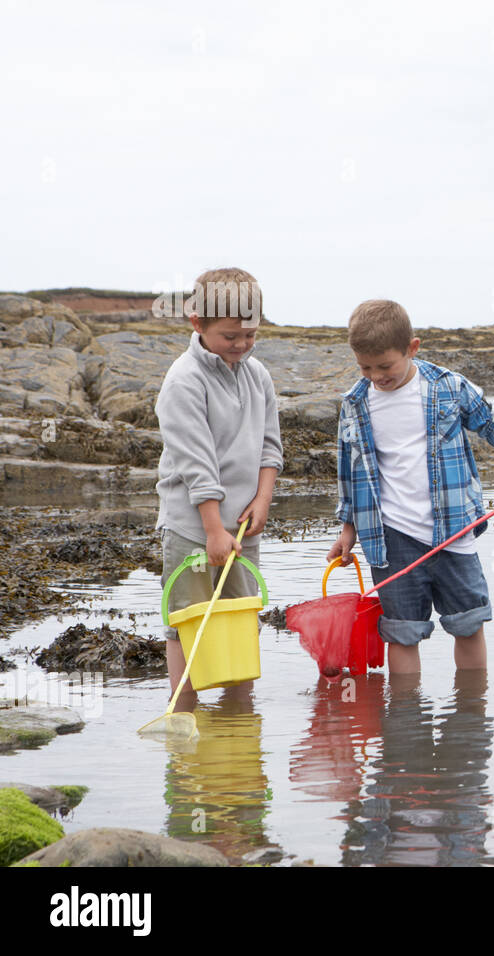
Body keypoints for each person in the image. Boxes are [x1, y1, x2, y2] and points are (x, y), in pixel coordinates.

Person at [328, 299, 494, 674]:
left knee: (468, 624)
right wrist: (347, 530)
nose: (376, 376)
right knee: (402, 633)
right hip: (390, 538)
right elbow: (349, 471)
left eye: (386, 366)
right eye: (366, 367)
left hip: (453, 531)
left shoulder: (448, 387)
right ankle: (407, 724)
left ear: (412, 348)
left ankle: (470, 715)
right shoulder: (355, 404)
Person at [155, 267, 282, 710]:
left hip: (244, 530)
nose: (242, 345)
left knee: (242, 614)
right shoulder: (183, 382)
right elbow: (197, 465)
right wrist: (212, 529)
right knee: (186, 619)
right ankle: (182, 703)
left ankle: (238, 708)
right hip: (194, 527)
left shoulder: (258, 375)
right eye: (231, 336)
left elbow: (270, 446)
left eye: (251, 335)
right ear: (197, 324)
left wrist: (263, 499)